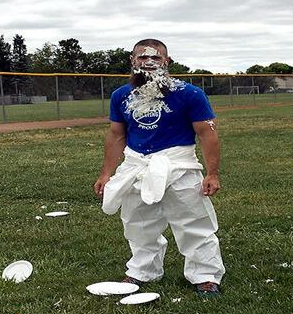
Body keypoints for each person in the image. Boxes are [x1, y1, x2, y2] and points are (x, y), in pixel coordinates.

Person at [94, 39, 225, 296]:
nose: (149, 62)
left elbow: (207, 134)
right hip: (137, 164)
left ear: (167, 62)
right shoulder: (121, 96)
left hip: (178, 165)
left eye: (156, 57)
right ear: (133, 62)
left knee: (193, 221)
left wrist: (212, 173)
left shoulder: (189, 94)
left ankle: (206, 275)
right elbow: (116, 135)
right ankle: (143, 270)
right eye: (142, 58)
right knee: (138, 223)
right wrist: (106, 173)